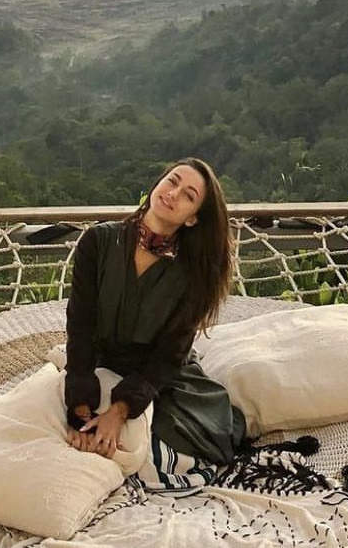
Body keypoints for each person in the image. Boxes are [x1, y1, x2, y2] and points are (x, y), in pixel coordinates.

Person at [63, 157, 247, 464]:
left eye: (189, 195)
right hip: (98, 362)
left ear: (192, 219)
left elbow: (170, 354)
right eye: (172, 181)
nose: (173, 193)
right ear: (157, 184)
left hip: (158, 372)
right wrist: (80, 410)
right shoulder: (98, 241)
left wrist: (120, 411)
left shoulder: (196, 272)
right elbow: (81, 324)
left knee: (199, 434)